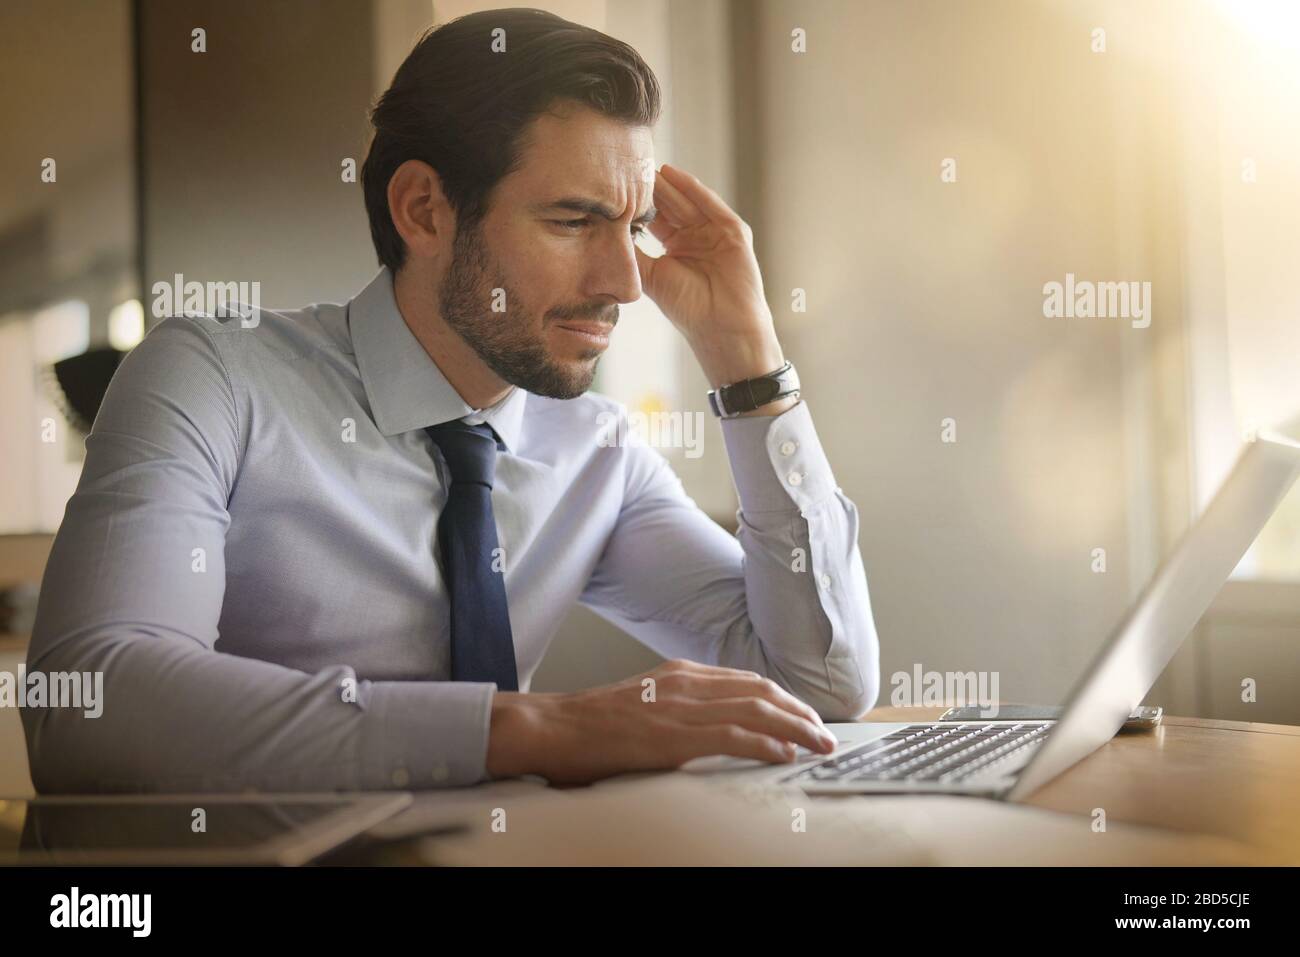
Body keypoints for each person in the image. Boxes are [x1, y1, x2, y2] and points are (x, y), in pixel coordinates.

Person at [22, 8, 879, 793]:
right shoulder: (211, 377)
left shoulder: (598, 455)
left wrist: (748, 361)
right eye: (573, 221)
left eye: (634, 226)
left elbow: (820, 683)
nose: (625, 281)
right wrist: (542, 729)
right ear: (424, 210)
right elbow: (90, 703)